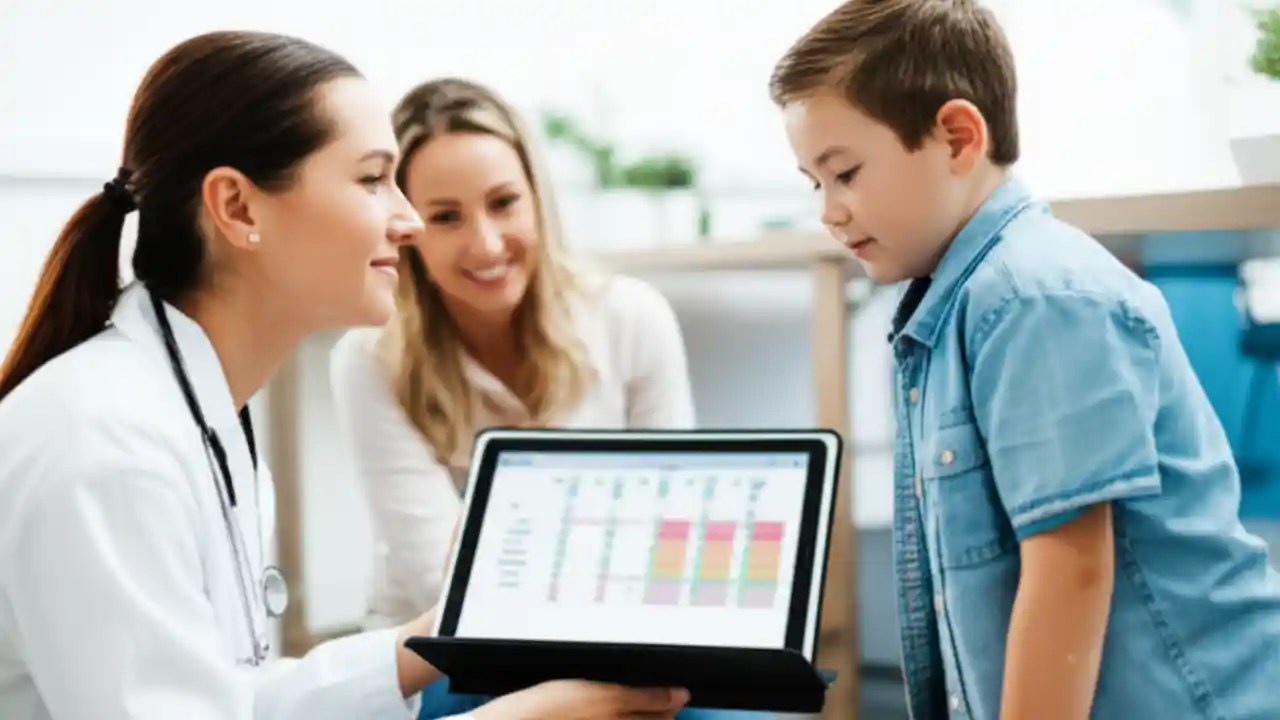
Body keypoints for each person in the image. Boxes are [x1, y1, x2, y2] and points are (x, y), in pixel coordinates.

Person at [0, 30, 691, 720]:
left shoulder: (189, 413)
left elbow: (235, 703)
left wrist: (440, 631)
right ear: (238, 208)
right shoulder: (108, 449)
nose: (410, 220)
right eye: (371, 180)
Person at [769, 1, 1280, 719]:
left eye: (845, 172)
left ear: (957, 137)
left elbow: (1069, 570)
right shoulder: (953, 306)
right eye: (813, 183)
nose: (829, 210)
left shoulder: (1035, 298)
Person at [326, 79, 768, 720]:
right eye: (446, 217)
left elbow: (671, 534)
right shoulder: (369, 357)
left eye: (504, 203)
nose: (485, 243)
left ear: (538, 200)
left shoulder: (630, 317)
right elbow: (445, 586)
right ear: (408, 228)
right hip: (451, 654)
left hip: (630, 634)